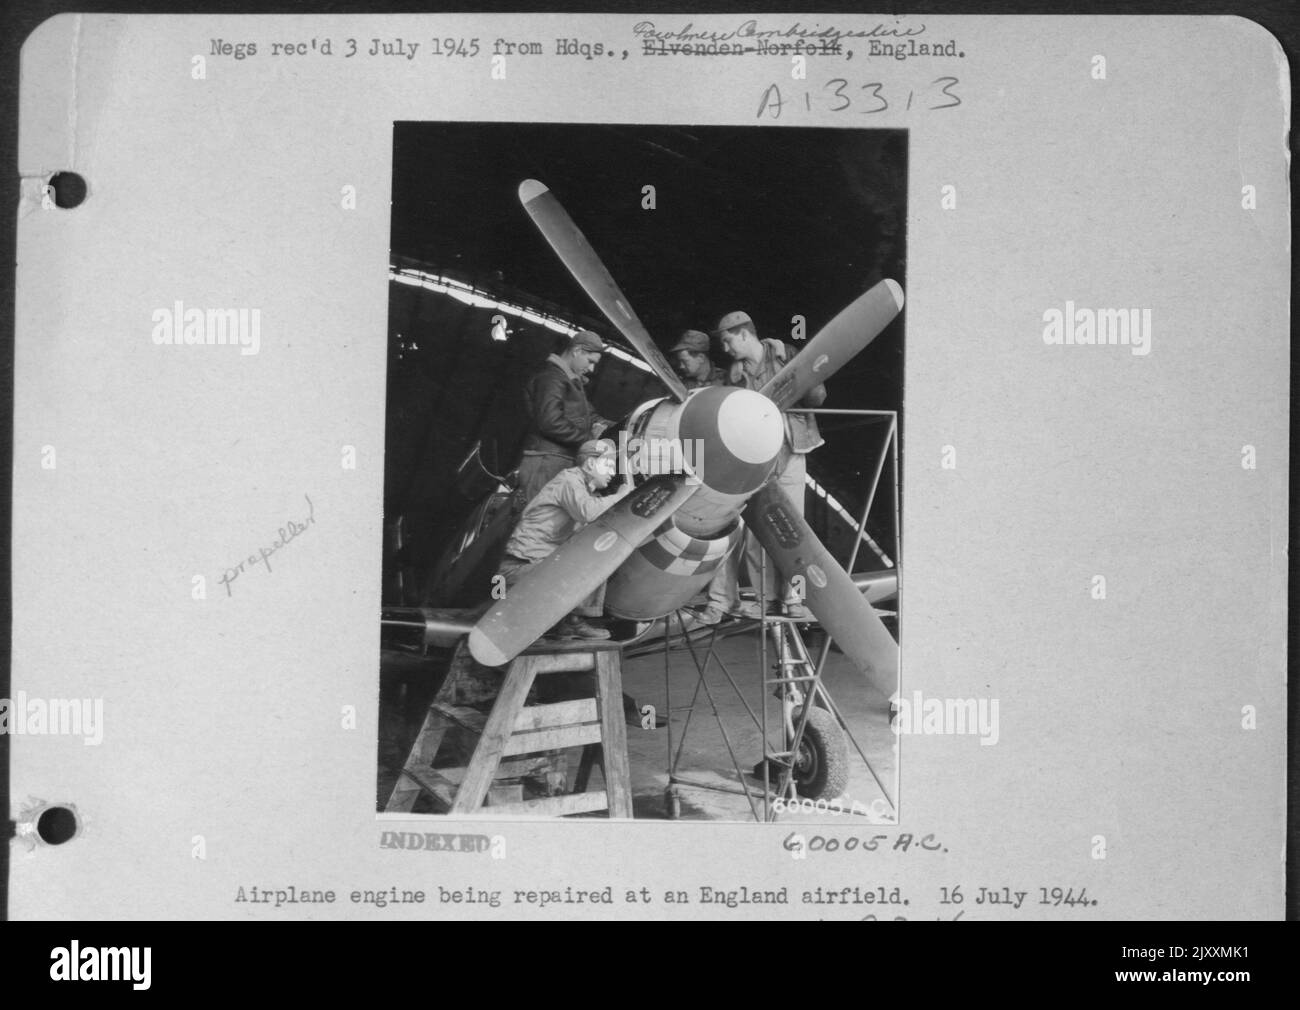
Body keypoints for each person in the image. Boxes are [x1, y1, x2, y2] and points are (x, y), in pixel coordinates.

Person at [717, 309, 826, 619]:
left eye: (728, 341)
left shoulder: (786, 354)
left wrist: (813, 377)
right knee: (756, 531)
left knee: (795, 530)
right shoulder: (734, 375)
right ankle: (767, 600)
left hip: (791, 450)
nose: (726, 350)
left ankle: (795, 598)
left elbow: (817, 397)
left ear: (743, 334)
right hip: (757, 459)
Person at [495, 438, 631, 641]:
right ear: (591, 464)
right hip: (517, 569)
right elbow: (588, 512)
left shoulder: (581, 489)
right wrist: (622, 496)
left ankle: (569, 623)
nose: (613, 472)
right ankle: (573, 622)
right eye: (609, 465)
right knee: (597, 559)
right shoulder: (569, 480)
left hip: (535, 567)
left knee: (600, 548)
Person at [517, 330, 612, 506]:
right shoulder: (552, 378)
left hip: (556, 460)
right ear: (577, 351)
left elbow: (591, 416)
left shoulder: (571, 381)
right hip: (547, 461)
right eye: (590, 361)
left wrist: (615, 426)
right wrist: (589, 440)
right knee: (536, 517)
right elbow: (550, 422)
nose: (591, 369)